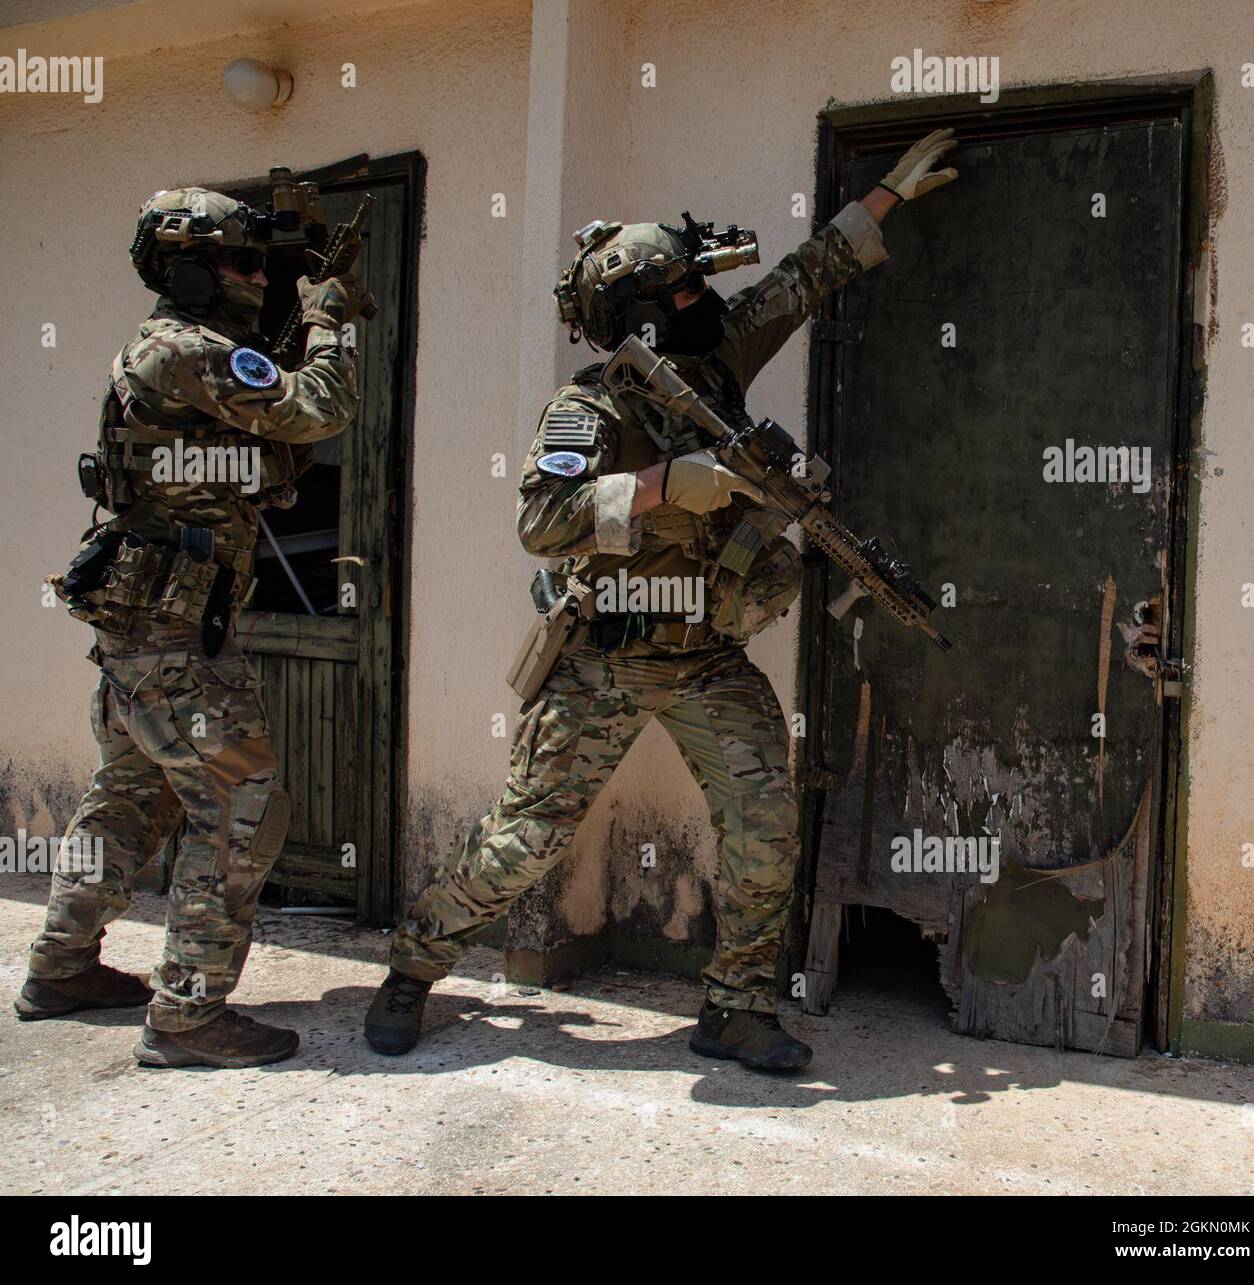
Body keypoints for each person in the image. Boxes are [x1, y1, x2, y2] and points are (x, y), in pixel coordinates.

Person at [364, 130, 959, 1070]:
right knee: (523, 842)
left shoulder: (715, 361)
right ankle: (412, 966)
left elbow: (801, 280)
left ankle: (735, 1006)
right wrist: (664, 484)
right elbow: (540, 519)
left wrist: (884, 196)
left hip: (706, 657)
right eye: (679, 292)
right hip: (603, 657)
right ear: (637, 316)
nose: (701, 302)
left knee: (765, 828)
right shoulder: (589, 409)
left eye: (695, 286)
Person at [17, 183, 372, 1069]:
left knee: (133, 796)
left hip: (145, 630)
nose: (259, 275)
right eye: (243, 262)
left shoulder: (180, 354)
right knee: (242, 808)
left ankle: (60, 968)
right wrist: (328, 323)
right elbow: (324, 409)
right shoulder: (185, 350)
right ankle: (189, 1013)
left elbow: (258, 461)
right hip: (175, 639)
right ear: (188, 270)